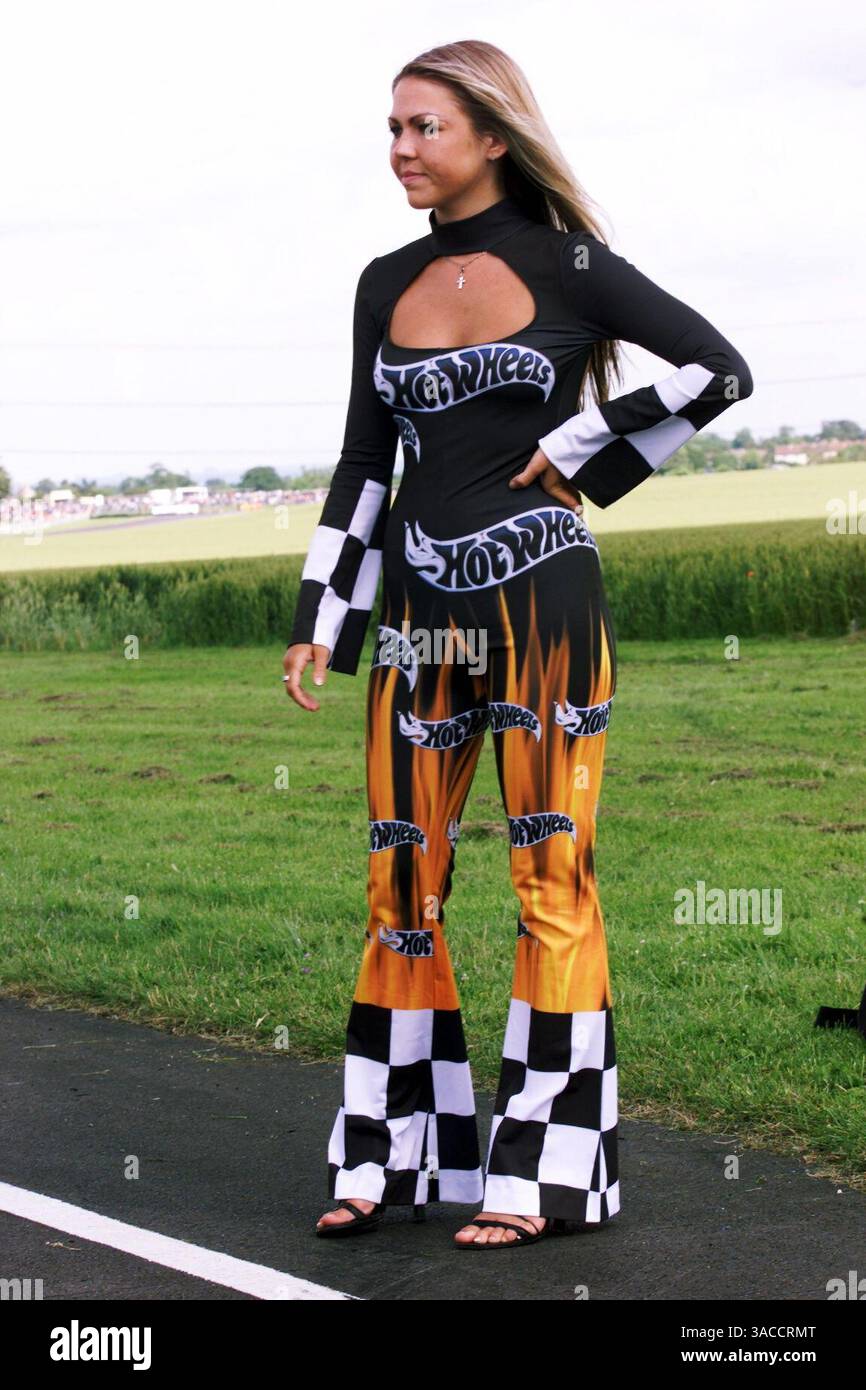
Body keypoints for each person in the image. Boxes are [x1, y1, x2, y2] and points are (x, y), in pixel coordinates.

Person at [284, 39, 753, 1250]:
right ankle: (390, 1157)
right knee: (400, 881)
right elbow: (359, 459)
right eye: (389, 127)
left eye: (421, 127)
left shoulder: (571, 263)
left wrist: (593, 443)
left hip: (546, 611)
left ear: (491, 135)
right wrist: (321, 620)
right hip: (420, 621)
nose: (397, 148)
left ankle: (537, 1179)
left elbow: (719, 370)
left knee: (548, 881)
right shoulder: (381, 278)